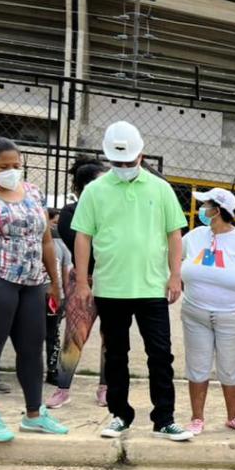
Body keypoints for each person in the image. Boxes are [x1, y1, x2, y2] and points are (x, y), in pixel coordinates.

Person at [71, 121, 192, 441]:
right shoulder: (95, 191)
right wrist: (83, 282)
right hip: (111, 287)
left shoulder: (160, 188)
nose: (125, 167)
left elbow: (174, 234)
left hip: (152, 287)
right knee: (115, 355)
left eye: (130, 161)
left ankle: (164, 418)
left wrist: (175, 275)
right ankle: (119, 414)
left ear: (141, 153)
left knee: (160, 354)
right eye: (118, 162)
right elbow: (83, 237)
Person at [0, 137, 68, 441]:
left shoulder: (33, 193)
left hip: (32, 281)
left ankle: (34, 413)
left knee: (31, 346)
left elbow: (46, 240)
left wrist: (54, 282)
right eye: (4, 166)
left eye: (17, 165)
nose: (12, 171)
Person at [180, 188, 235, 434]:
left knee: (230, 368)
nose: (201, 211)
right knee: (197, 365)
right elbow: (176, 258)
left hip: (233, 315)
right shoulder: (194, 237)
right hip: (195, 313)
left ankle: (233, 416)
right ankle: (197, 418)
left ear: (217, 211)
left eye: (205, 206)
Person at [46, 156, 107, 409]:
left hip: (113, 279)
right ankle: (63, 389)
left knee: (113, 337)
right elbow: (85, 247)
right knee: (75, 335)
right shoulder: (71, 212)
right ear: (85, 187)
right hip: (84, 278)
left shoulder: (113, 209)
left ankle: (105, 388)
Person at [45, 208, 70, 385]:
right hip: (41, 293)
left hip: (54, 297)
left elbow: (66, 272)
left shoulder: (61, 245)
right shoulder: (41, 242)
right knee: (47, 334)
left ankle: (53, 370)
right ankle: (50, 370)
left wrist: (65, 296)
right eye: (53, 222)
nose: (55, 226)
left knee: (53, 334)